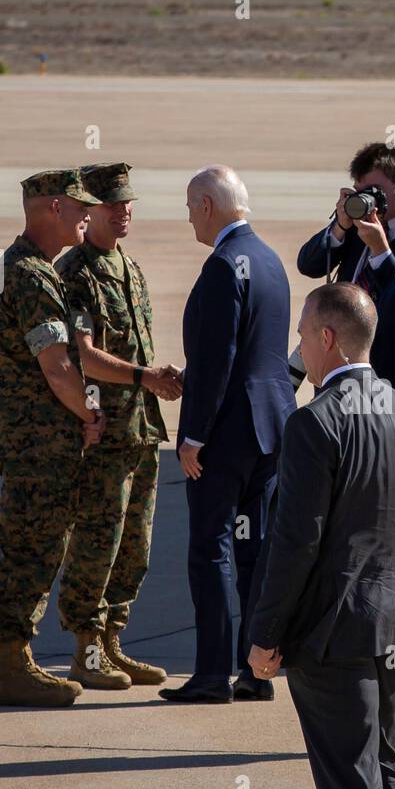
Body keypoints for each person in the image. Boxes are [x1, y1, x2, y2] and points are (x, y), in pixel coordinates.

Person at [246, 283, 395, 789]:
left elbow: (295, 542)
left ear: (328, 339)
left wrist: (266, 633)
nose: (300, 347)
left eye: (304, 335)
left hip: (336, 633)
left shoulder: (314, 422)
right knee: (382, 763)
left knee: (351, 778)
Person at [160, 165, 295, 704]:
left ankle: (213, 674)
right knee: (252, 551)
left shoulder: (222, 265)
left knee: (210, 548)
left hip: (225, 436)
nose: (189, 215)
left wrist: (193, 435)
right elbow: (255, 353)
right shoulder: (268, 259)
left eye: (191, 205)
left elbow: (220, 358)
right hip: (268, 431)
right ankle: (254, 670)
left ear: (209, 206)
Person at [0, 168, 106, 707]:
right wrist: (90, 412)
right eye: (78, 206)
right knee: (31, 550)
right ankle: (11, 667)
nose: (86, 215)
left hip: (31, 441)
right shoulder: (29, 274)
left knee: (30, 547)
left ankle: (15, 660)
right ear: (52, 207)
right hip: (39, 445)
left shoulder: (21, 267)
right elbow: (56, 366)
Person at [55, 162, 182, 691]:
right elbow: (83, 356)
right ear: (91, 210)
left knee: (135, 545)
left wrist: (156, 379)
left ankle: (111, 642)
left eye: (129, 203)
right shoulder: (75, 273)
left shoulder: (129, 268)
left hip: (141, 431)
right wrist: (144, 376)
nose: (126, 212)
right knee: (97, 542)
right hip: (103, 434)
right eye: (115, 204)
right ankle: (86, 648)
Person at [295, 142, 395, 379]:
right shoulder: (359, 219)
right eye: (361, 192)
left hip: (388, 373)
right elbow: (308, 265)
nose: (369, 201)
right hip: (338, 363)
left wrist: (381, 251)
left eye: (375, 191)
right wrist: (339, 228)